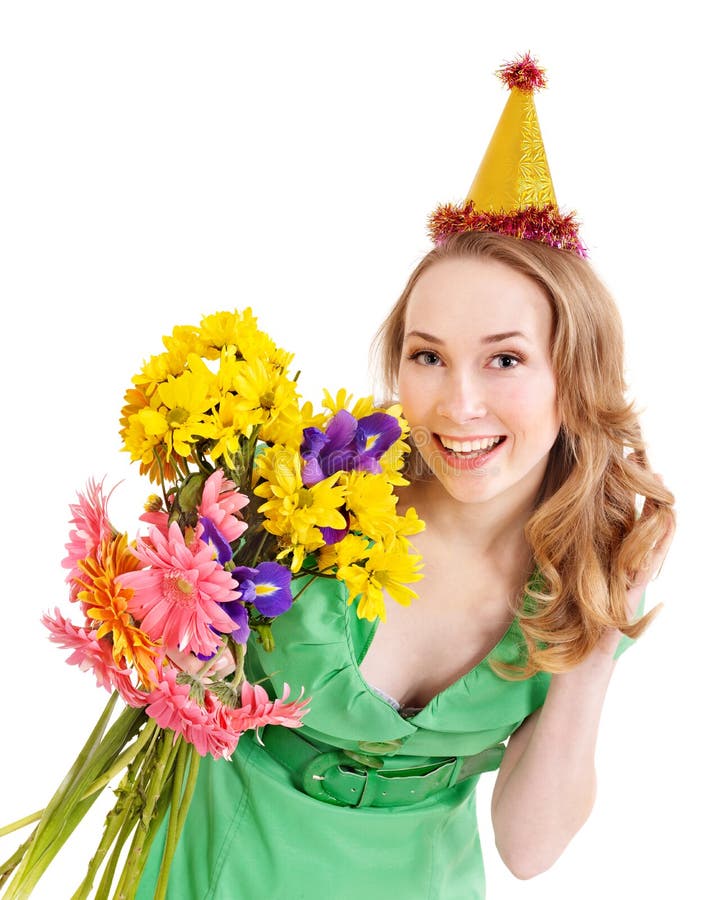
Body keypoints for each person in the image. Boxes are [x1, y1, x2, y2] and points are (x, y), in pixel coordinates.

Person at [137, 55, 675, 899]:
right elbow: (168, 681)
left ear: (574, 377)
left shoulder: (590, 572)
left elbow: (528, 848)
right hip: (213, 868)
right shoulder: (306, 492)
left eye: (504, 358)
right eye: (428, 356)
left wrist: (595, 646)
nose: (459, 404)